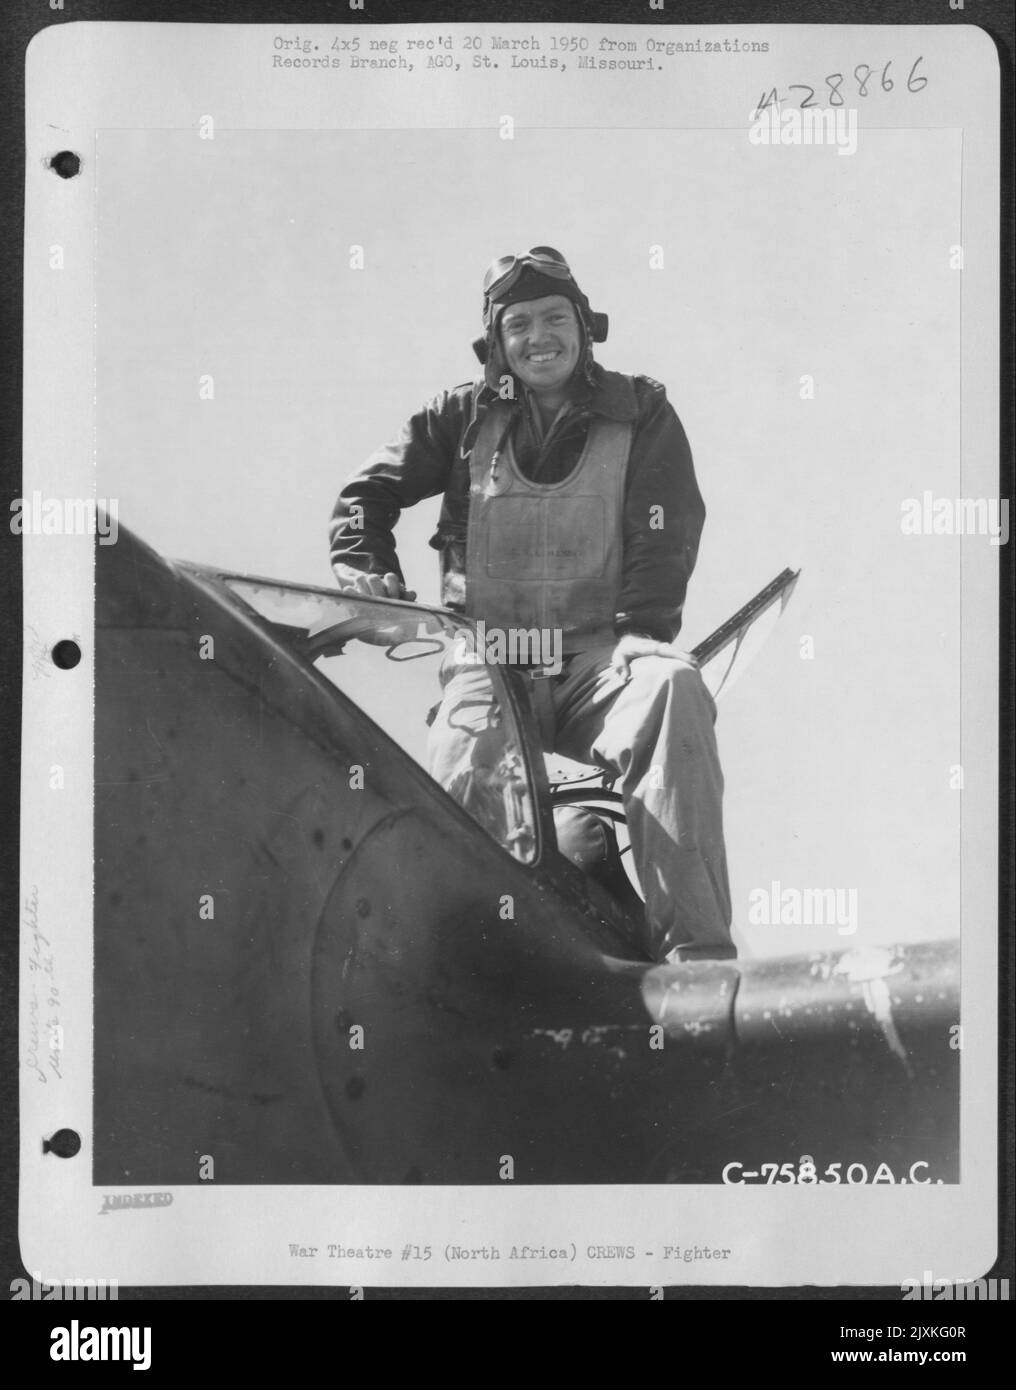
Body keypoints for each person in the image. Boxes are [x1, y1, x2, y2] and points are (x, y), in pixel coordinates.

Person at [328, 247, 733, 962]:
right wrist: (365, 570)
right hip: (490, 655)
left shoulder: (641, 411)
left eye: (554, 318)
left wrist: (644, 630)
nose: (539, 337)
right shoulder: (459, 416)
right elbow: (366, 494)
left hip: (599, 654)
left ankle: (698, 960)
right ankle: (465, 968)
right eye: (520, 325)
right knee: (458, 763)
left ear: (584, 327)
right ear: (498, 344)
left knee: (673, 688)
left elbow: (665, 527)